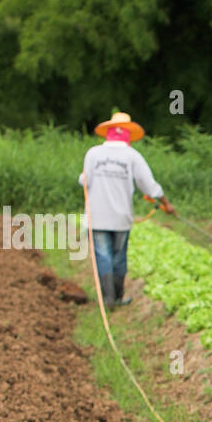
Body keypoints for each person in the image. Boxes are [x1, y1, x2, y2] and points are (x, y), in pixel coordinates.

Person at [78, 111, 172, 307]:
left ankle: (108, 299)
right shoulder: (133, 156)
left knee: (103, 255)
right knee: (119, 255)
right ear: (128, 133)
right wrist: (166, 203)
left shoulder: (93, 154)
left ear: (108, 132)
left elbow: (85, 181)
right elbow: (150, 186)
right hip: (121, 217)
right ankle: (117, 297)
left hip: (97, 216)